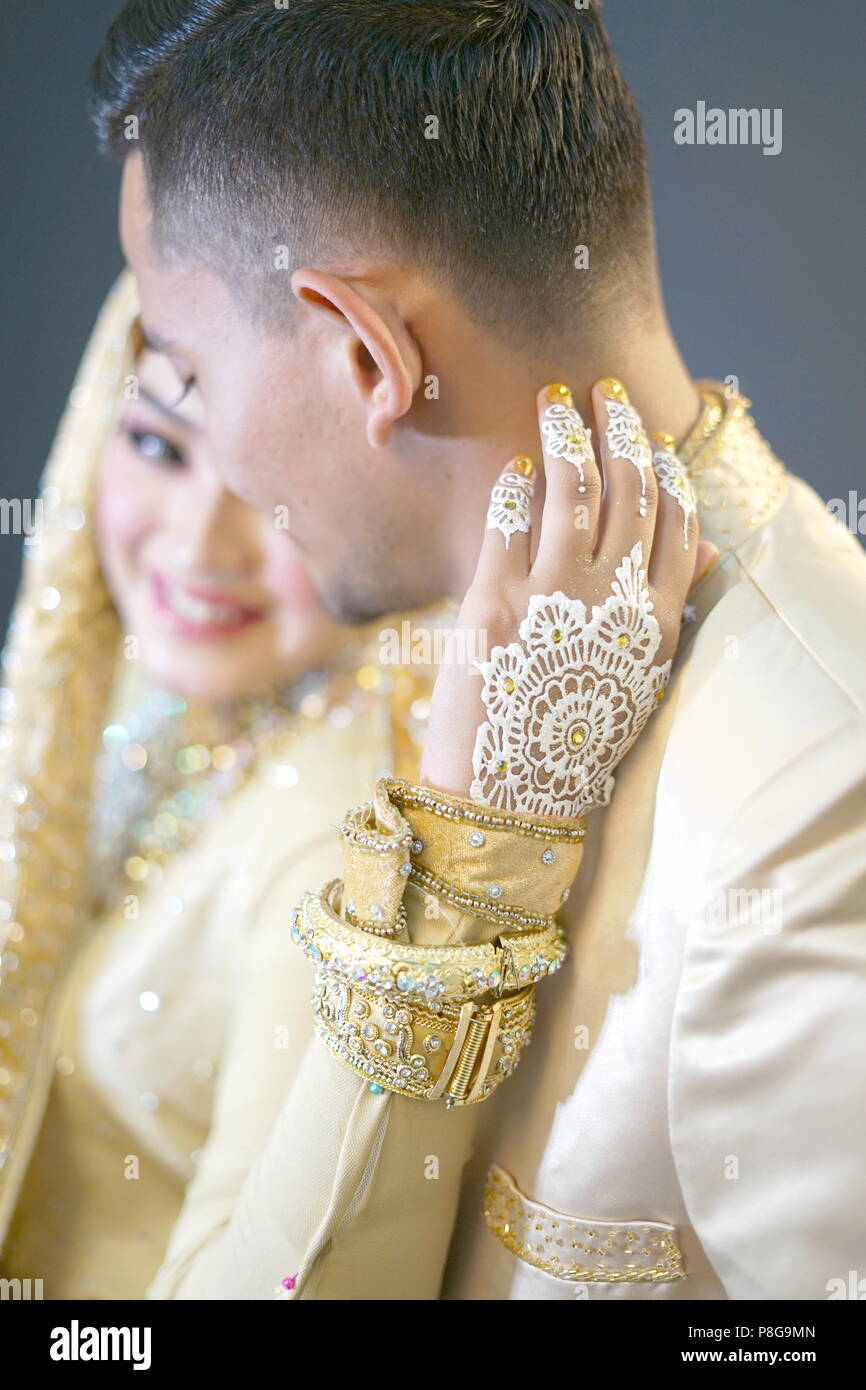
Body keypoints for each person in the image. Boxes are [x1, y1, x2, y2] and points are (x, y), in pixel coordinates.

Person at [5, 0, 866, 1300]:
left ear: (363, 353)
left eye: (189, 371)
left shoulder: (812, 801)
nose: (211, 485)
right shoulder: (446, 703)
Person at [0, 270, 443, 1297]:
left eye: (275, 493)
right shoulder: (116, 686)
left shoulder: (347, 850)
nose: (199, 546)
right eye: (157, 443)